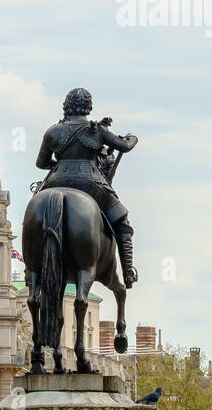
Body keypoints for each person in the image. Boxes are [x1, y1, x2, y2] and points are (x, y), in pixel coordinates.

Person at [34, 88, 139, 285]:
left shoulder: (53, 131)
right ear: (88, 106)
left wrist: (59, 165)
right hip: (91, 184)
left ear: (66, 105)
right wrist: (132, 138)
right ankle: (128, 272)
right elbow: (124, 146)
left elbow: (40, 163)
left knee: (35, 213)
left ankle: (30, 267)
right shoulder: (97, 130)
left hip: (55, 182)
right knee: (122, 221)